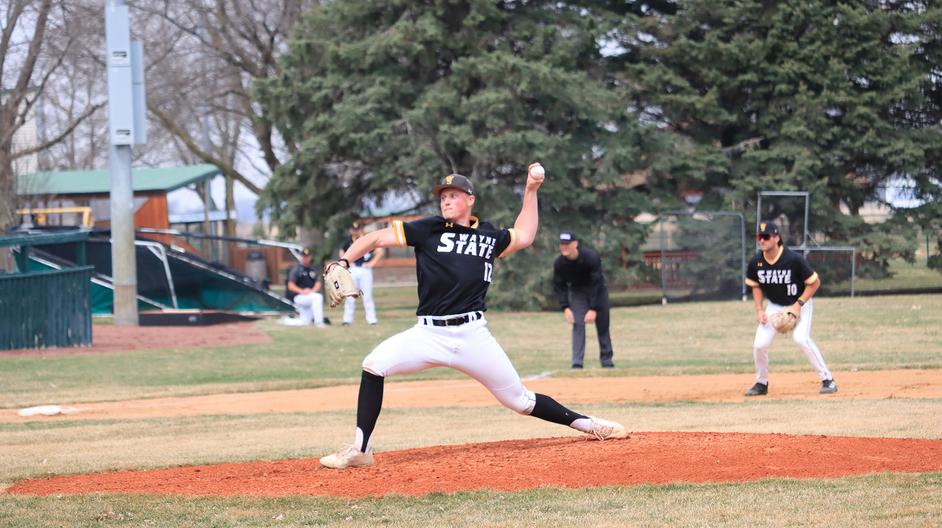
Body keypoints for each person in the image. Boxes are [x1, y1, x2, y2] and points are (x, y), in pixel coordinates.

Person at [319, 164, 628, 469]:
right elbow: (374, 239)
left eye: (453, 194)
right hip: (427, 334)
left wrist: (531, 191)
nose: (446, 200)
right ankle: (361, 450)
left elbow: (525, 235)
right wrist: (343, 261)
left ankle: (591, 425)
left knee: (520, 401)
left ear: (470, 200)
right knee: (374, 364)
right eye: (442, 196)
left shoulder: (488, 236)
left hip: (473, 335)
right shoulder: (427, 229)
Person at [743, 221, 837, 396]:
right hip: (775, 306)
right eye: (759, 237)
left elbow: (814, 283)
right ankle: (761, 383)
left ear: (777, 238)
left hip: (801, 302)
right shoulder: (756, 262)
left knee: (801, 338)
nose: (761, 240)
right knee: (759, 345)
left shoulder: (793, 259)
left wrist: (797, 306)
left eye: (766, 237)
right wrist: (759, 310)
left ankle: (828, 380)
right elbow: (755, 286)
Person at [552, 232, 615, 369]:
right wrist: (565, 307)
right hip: (578, 292)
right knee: (578, 324)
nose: (564, 247)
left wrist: (593, 308)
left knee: (603, 326)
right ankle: (577, 363)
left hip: (598, 291)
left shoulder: (591, 257)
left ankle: (607, 361)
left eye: (567, 244)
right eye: (562, 244)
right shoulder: (559, 263)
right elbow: (559, 286)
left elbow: (597, 283)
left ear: (575, 244)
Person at [339, 222, 383, 326]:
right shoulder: (349, 241)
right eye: (354, 229)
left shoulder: (367, 239)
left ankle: (371, 319)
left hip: (364, 269)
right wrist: (347, 263)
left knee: (367, 295)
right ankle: (347, 320)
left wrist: (371, 263)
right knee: (350, 295)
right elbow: (342, 252)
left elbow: (379, 251)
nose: (356, 231)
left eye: (358, 229)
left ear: (361, 230)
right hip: (353, 269)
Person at [281, 248, 326, 327]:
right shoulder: (296, 270)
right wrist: (302, 291)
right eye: (304, 256)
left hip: (310, 295)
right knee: (318, 297)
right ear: (301, 257)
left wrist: (311, 291)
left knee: (305, 322)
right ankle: (319, 323)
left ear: (310, 257)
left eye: (307, 256)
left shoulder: (313, 269)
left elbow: (318, 284)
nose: (305, 258)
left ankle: (287, 321)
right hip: (299, 297)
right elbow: (290, 285)